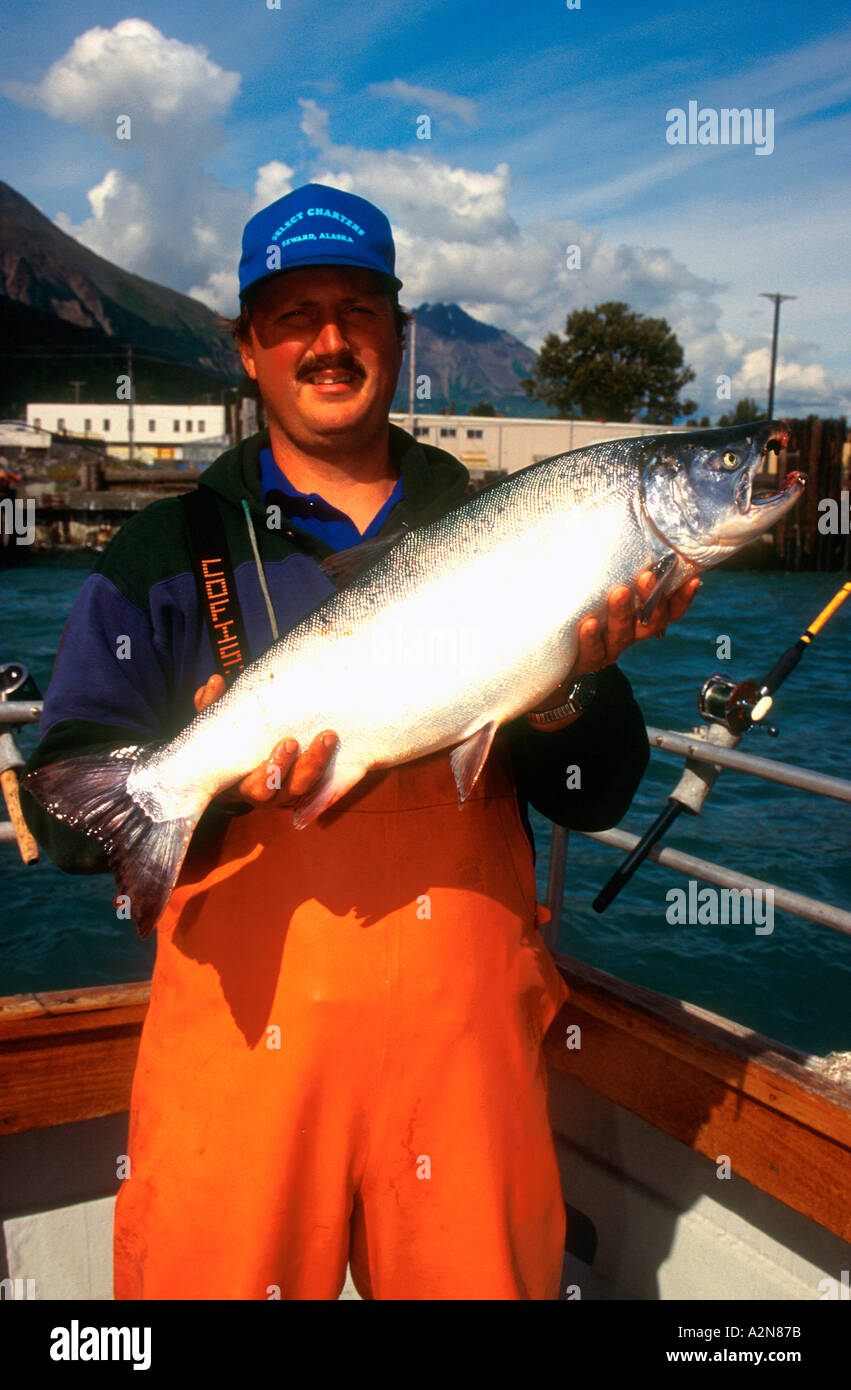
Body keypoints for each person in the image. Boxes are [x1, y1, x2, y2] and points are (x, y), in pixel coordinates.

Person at [21, 183, 697, 1301]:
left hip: (462, 1068)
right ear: (246, 347)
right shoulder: (161, 549)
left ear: (399, 333)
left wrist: (567, 688)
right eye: (293, 315)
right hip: (240, 1069)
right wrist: (223, 783)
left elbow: (592, 795)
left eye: (357, 309)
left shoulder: (514, 529)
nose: (328, 340)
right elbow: (68, 816)